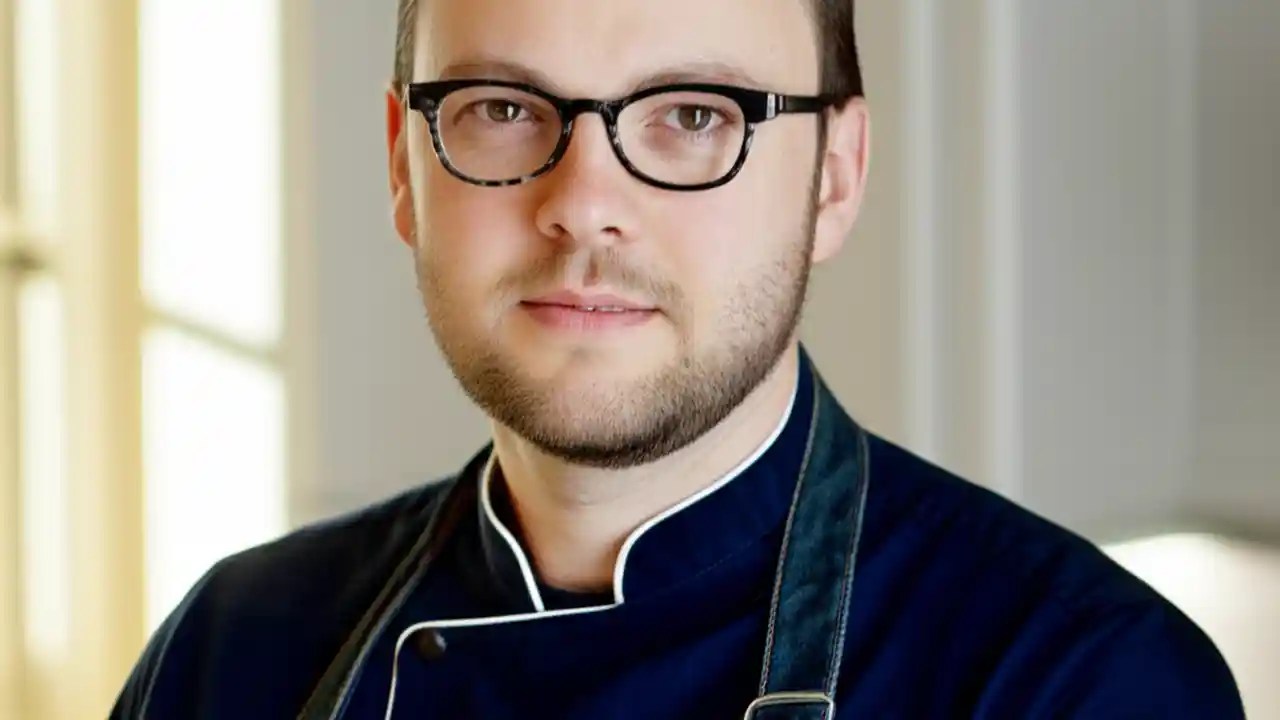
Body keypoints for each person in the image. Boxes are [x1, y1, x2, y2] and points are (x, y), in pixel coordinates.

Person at [112, 0, 1246, 717]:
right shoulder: (233, 650)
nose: (585, 206)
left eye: (693, 116)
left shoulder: (1077, 680)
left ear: (834, 176)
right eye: (503, 106)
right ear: (406, 166)